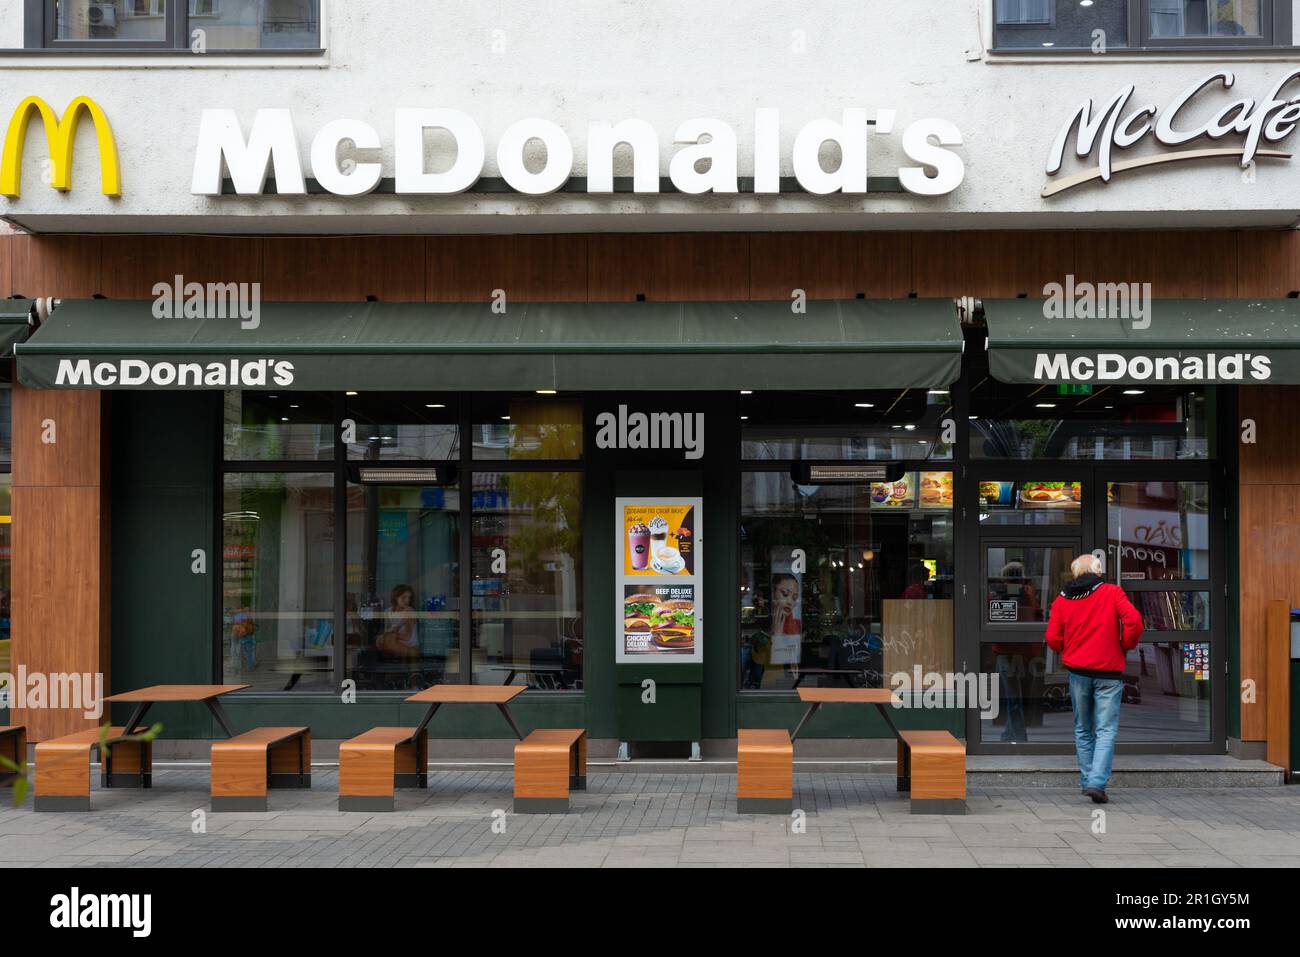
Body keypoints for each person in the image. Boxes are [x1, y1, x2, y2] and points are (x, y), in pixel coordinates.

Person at [1045, 554, 1144, 804]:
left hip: (1078, 672)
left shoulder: (1062, 599)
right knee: (1105, 729)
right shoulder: (1112, 592)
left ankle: (1088, 780)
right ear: (1098, 571)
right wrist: (1125, 645)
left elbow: (1052, 638)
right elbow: (1133, 621)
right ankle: (1096, 783)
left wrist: (1067, 649)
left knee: (1083, 729)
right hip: (1109, 672)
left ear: (1076, 573)